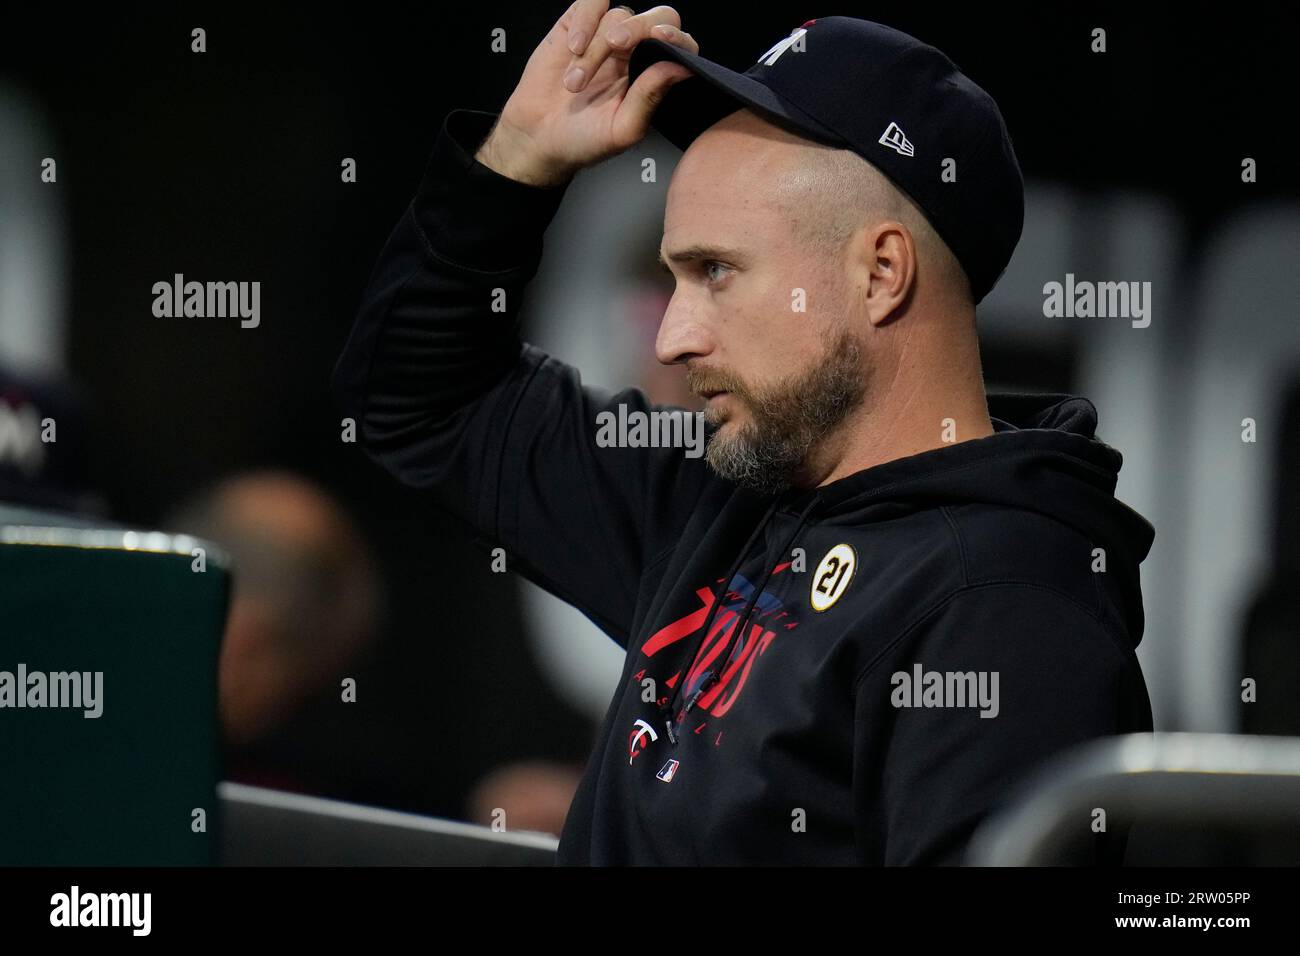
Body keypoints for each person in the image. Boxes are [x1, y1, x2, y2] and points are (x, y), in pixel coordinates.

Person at [333, 5, 1155, 864]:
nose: (671, 337)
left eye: (715, 272)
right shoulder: (725, 502)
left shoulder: (1007, 616)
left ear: (880, 274)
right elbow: (415, 397)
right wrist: (514, 163)